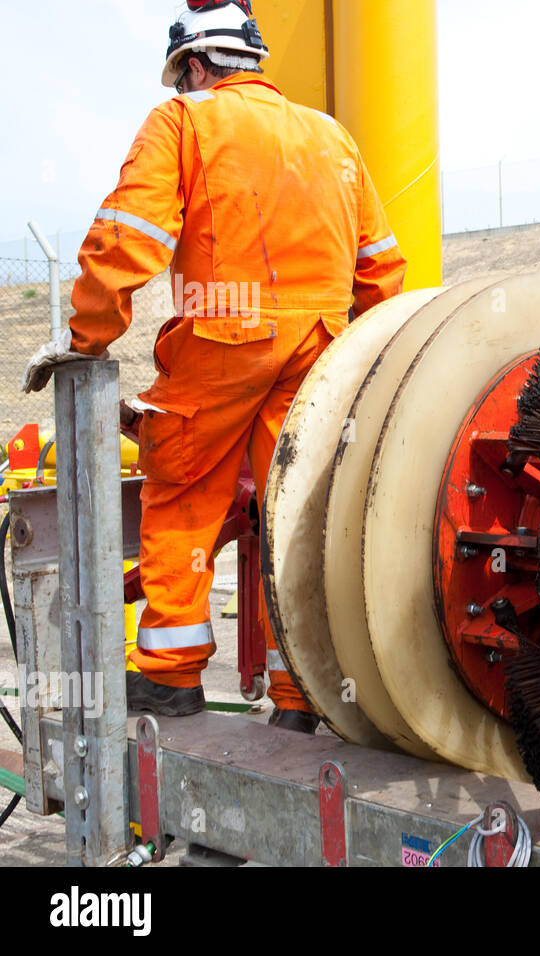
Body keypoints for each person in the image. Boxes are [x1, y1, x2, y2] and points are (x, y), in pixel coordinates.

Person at [22, 0, 406, 733]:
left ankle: (170, 674)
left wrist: (89, 335)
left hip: (225, 341)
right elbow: (382, 270)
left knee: (184, 489)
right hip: (318, 351)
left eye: (181, 79)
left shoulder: (185, 122)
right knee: (292, 510)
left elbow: (129, 235)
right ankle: (299, 696)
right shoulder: (331, 136)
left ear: (196, 67)